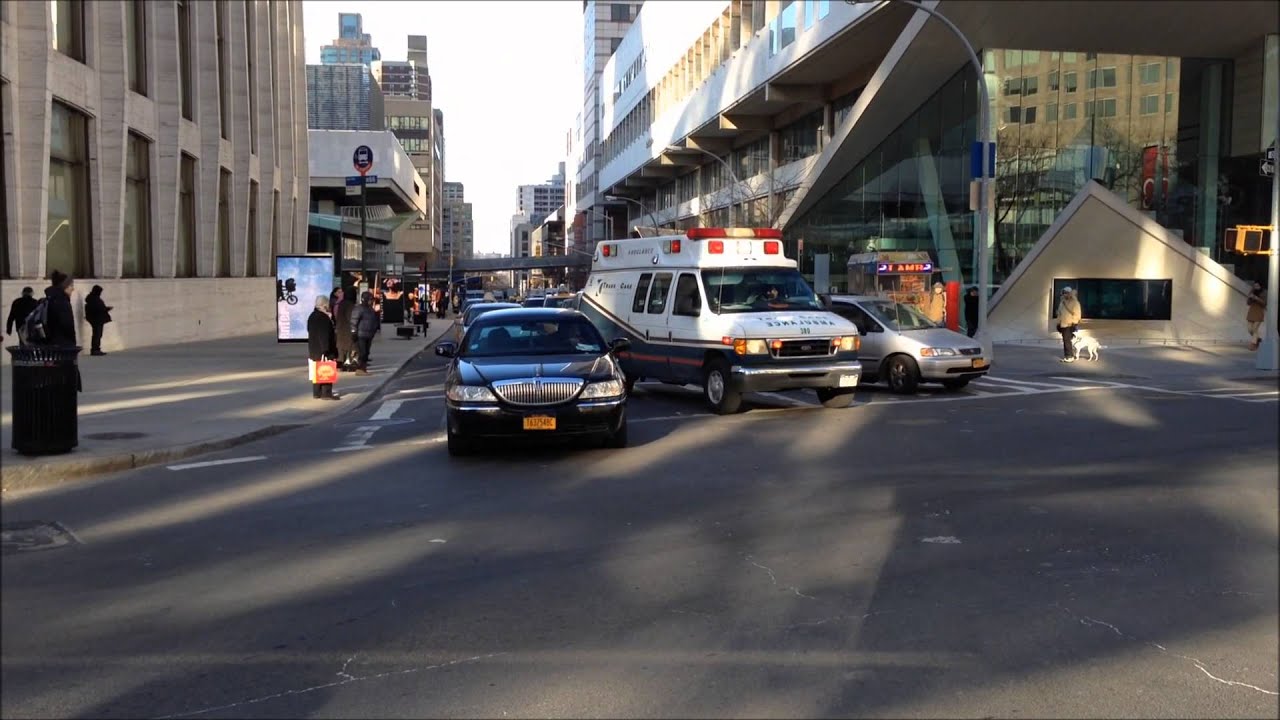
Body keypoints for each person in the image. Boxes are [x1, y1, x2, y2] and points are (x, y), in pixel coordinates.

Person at [307, 296, 339, 400]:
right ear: (324, 305)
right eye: (328, 304)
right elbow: (324, 335)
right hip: (323, 349)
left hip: (314, 348)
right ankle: (326, 393)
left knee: (316, 370)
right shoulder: (323, 318)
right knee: (326, 370)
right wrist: (326, 350)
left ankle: (316, 392)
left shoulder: (312, 316)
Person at [43, 271, 78, 348]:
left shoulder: (51, 299)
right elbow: (67, 325)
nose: (73, 289)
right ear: (65, 286)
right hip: (63, 346)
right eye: (71, 285)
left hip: (52, 344)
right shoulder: (62, 302)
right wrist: (72, 344)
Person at [350, 291, 380, 375]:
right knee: (362, 352)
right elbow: (354, 321)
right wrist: (353, 332)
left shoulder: (370, 309)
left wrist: (374, 330)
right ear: (365, 299)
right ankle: (360, 369)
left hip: (369, 334)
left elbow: (374, 321)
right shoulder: (359, 308)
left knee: (366, 352)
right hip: (361, 334)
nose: (371, 302)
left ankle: (363, 368)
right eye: (370, 300)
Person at [83, 285, 113, 356]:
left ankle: (96, 349)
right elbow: (98, 309)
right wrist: (106, 309)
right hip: (97, 319)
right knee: (97, 334)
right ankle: (95, 349)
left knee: (97, 334)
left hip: (96, 319)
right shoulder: (94, 299)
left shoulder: (92, 298)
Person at [1056, 286, 1083, 363]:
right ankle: (1068, 355)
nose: (1064, 295)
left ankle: (1069, 356)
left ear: (1069, 293)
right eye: (1063, 293)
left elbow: (1077, 314)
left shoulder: (1075, 302)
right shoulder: (1062, 302)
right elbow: (1059, 314)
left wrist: (1074, 323)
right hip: (1063, 324)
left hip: (1069, 324)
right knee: (1066, 340)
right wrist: (1058, 323)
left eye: (1065, 293)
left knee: (1067, 340)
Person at [331, 287, 355, 371]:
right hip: (347, 329)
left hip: (340, 328)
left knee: (342, 347)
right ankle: (348, 364)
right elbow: (351, 318)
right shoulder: (350, 305)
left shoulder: (340, 304)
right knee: (350, 347)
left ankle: (343, 363)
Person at [1246, 281, 1266, 351]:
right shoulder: (1252, 292)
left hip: (1259, 312)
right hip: (1251, 312)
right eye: (1255, 286)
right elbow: (1248, 303)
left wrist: (1256, 298)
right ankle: (1258, 339)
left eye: (1257, 286)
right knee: (1250, 330)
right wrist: (1250, 298)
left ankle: (1253, 344)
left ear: (1260, 286)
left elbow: (1264, 304)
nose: (1256, 287)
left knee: (1255, 329)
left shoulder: (1263, 293)